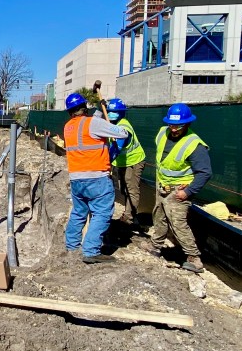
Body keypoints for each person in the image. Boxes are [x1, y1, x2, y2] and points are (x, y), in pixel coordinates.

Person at [63, 92, 128, 264]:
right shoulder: (93, 123)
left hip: (76, 178)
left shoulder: (68, 127)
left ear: (70, 111)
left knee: (79, 212)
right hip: (97, 177)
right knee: (102, 212)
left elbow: (89, 130)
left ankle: (72, 246)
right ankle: (91, 251)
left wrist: (100, 112)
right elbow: (121, 133)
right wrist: (121, 129)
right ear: (85, 107)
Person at [149, 103, 212, 274]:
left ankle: (194, 259)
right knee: (159, 216)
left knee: (178, 223)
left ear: (187, 124)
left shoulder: (194, 145)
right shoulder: (163, 132)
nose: (174, 129)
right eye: (171, 124)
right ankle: (155, 246)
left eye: (178, 126)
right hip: (162, 185)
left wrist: (188, 192)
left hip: (178, 190)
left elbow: (205, 173)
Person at [106, 97, 146, 230]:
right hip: (122, 162)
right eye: (110, 111)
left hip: (133, 161)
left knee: (132, 190)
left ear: (121, 113)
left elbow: (118, 146)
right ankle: (130, 214)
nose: (111, 114)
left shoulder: (123, 127)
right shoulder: (112, 124)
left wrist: (106, 162)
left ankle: (128, 219)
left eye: (115, 112)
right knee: (124, 189)